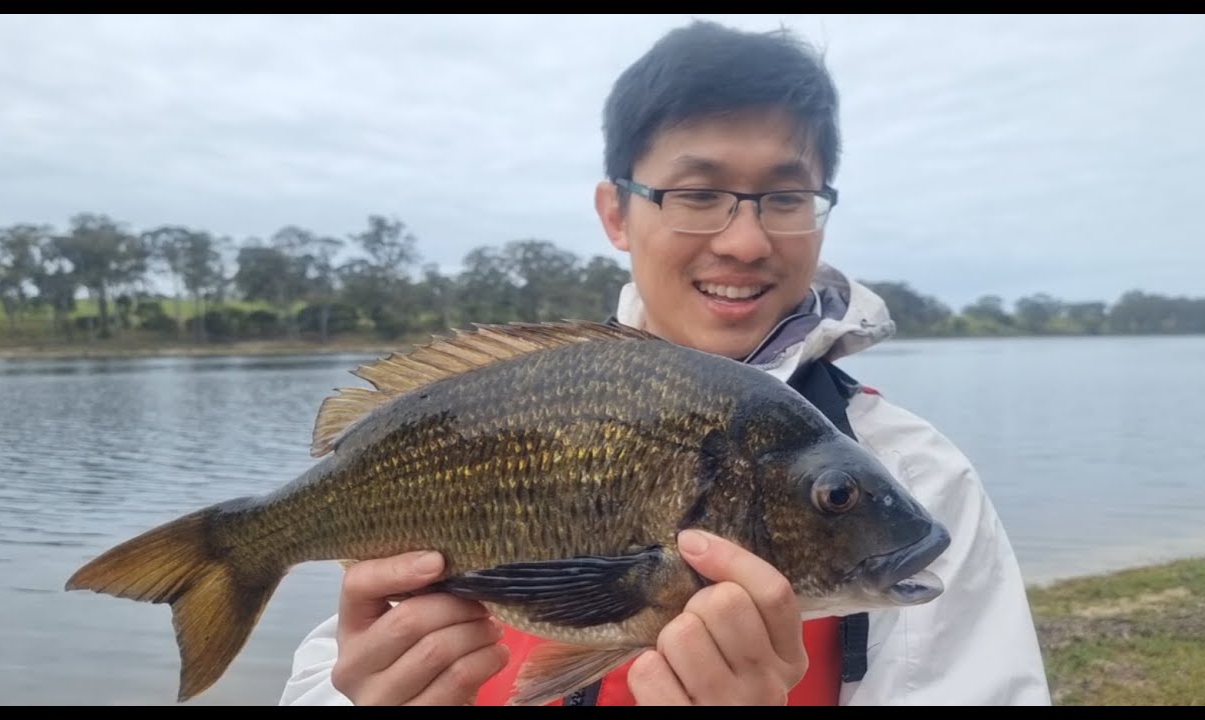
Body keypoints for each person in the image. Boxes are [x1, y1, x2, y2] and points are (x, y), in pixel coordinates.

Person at [278, 19, 1052, 706]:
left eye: (786, 197)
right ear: (617, 212)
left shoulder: (923, 477)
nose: (745, 241)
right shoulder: (490, 415)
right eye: (696, 192)